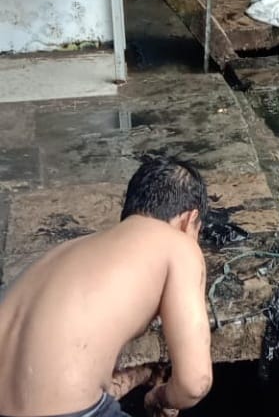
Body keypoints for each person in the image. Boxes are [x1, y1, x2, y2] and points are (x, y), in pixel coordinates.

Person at [0, 154, 213, 417]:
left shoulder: (72, 250)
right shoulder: (179, 245)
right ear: (189, 220)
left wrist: (139, 375)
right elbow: (195, 383)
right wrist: (159, 397)